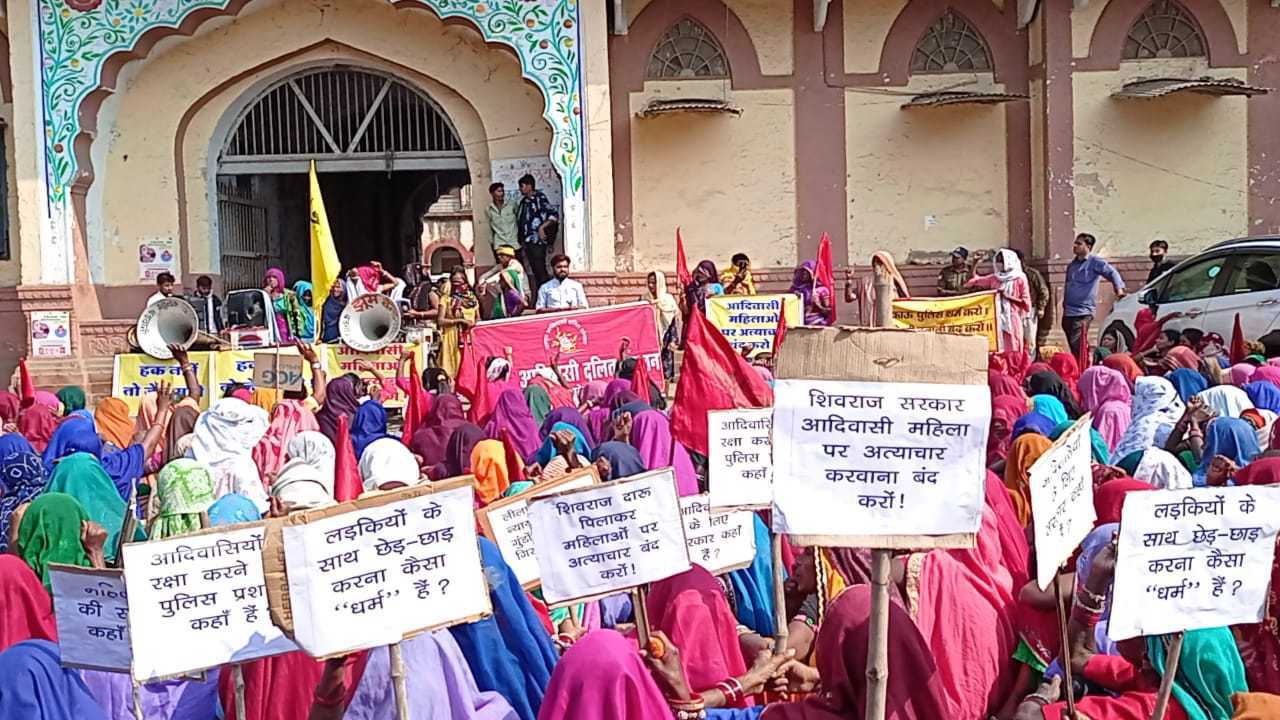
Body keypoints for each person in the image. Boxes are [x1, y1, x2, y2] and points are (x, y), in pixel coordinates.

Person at [1062, 233, 1126, 357]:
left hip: (1083, 312)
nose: (1075, 246)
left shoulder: (1095, 262)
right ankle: (1079, 364)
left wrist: (1119, 290)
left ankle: (1083, 368)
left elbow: (1112, 273)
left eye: (1079, 244)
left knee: (1077, 343)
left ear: (1089, 247)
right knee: (1073, 343)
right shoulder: (1072, 265)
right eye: (1075, 243)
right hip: (1069, 310)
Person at [965, 249, 1032, 355]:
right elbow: (974, 281)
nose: (999, 264)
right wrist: (974, 264)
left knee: (1014, 346)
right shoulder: (995, 278)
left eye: (1001, 261)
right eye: (998, 261)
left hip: (1012, 318)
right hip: (996, 318)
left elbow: (1026, 304)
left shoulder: (1020, 279)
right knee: (998, 348)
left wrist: (1008, 297)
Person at [516, 174, 558, 290]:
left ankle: (546, 295)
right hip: (527, 242)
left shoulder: (540, 198)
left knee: (540, 269)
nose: (520, 189)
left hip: (538, 242)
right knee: (534, 270)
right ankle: (540, 295)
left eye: (522, 186)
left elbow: (553, 216)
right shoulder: (524, 202)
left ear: (529, 186)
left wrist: (542, 228)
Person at [437, 267, 480, 380]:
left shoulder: (472, 299)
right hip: (451, 337)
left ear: (466, 283)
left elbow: (478, 318)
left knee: (469, 370)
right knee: (452, 371)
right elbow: (440, 320)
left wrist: (473, 324)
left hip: (469, 337)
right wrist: (460, 321)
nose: (457, 287)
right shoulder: (446, 299)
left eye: (460, 284)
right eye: (454, 284)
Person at [1016, 249, 1052, 357]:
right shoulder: (1007, 275)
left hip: (1029, 310)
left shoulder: (1032, 274)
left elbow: (1043, 291)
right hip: (1013, 312)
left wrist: (1041, 307)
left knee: (1029, 339)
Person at [478, 246, 530, 319]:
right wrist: (481, 282)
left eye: (502, 255)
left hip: (520, 293)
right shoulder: (500, 266)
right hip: (505, 293)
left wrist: (486, 282)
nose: (499, 257)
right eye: (498, 255)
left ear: (509, 257)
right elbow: (486, 275)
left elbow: (502, 274)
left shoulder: (515, 265)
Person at [791, 261, 832, 326]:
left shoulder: (822, 290)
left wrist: (818, 305)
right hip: (800, 322)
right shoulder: (797, 289)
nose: (803, 274)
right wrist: (793, 296)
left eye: (806, 272)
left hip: (817, 322)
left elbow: (829, 312)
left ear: (813, 273)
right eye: (802, 271)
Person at [486, 181, 520, 257]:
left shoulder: (512, 205)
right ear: (492, 193)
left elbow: (519, 220)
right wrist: (492, 243)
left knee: (516, 266)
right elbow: (489, 228)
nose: (501, 193)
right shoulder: (489, 209)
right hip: (499, 243)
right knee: (503, 267)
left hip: (513, 242)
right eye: (498, 191)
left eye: (502, 191)